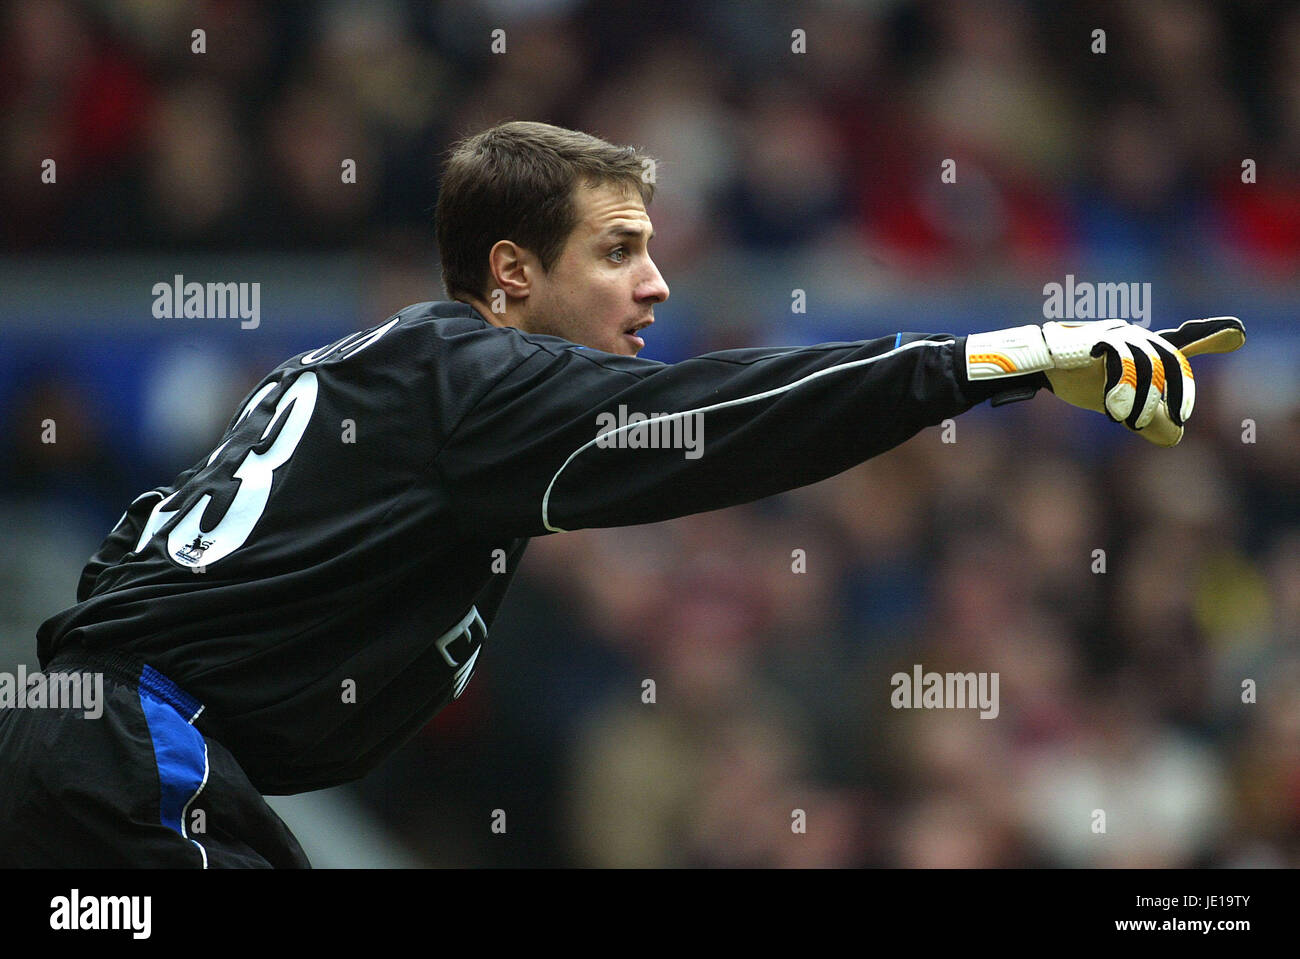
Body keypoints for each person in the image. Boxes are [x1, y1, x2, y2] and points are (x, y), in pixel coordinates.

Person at [0, 121, 1244, 867]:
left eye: (652, 248)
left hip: (88, 750)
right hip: (126, 759)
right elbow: (712, 427)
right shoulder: (472, 374)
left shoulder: (380, 378)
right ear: (509, 273)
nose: (655, 286)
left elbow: (131, 570)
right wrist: (981, 360)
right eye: (616, 251)